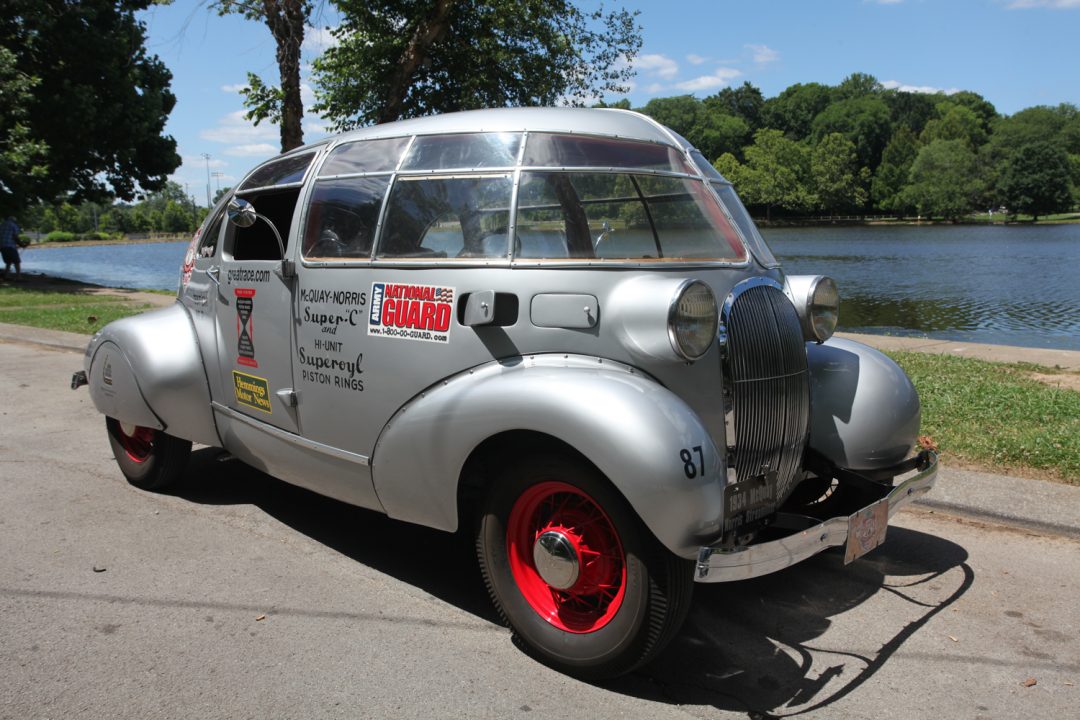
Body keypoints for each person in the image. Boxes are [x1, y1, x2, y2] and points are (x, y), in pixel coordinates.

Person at [1, 216, 24, 281]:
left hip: (2, 246)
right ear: (13, 220)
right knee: (17, 262)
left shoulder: (2, 225)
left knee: (8, 262)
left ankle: (6, 276)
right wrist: (21, 244)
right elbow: (15, 236)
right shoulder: (13, 225)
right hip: (10, 246)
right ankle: (18, 277)